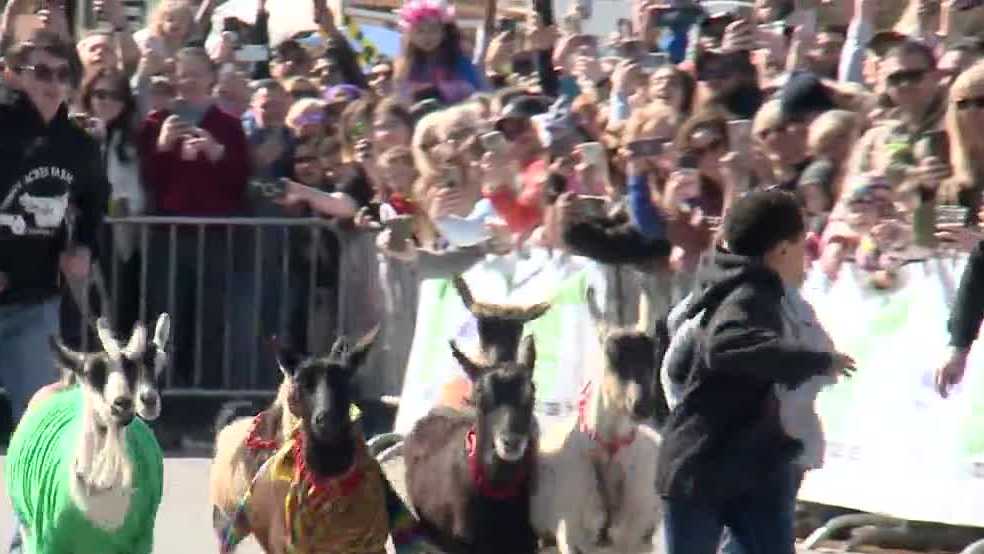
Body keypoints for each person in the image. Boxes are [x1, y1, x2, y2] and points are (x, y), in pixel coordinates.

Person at [656, 189, 855, 554]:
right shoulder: (749, 293)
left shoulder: (722, 279)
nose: (807, 257)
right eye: (802, 245)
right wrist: (814, 361)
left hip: (745, 463)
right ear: (782, 250)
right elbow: (725, 346)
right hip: (706, 465)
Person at [0, 32, 109, 424]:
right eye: (42, 72)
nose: (54, 84)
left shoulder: (78, 144)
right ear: (12, 75)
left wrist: (84, 246)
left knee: (37, 417)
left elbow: (95, 199)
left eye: (63, 74)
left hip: (37, 297)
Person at [394, 0, 485, 105]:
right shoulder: (405, 65)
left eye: (433, 30)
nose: (427, 36)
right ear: (410, 34)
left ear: (443, 32)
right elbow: (400, 96)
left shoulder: (458, 61)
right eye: (420, 31)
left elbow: (476, 92)